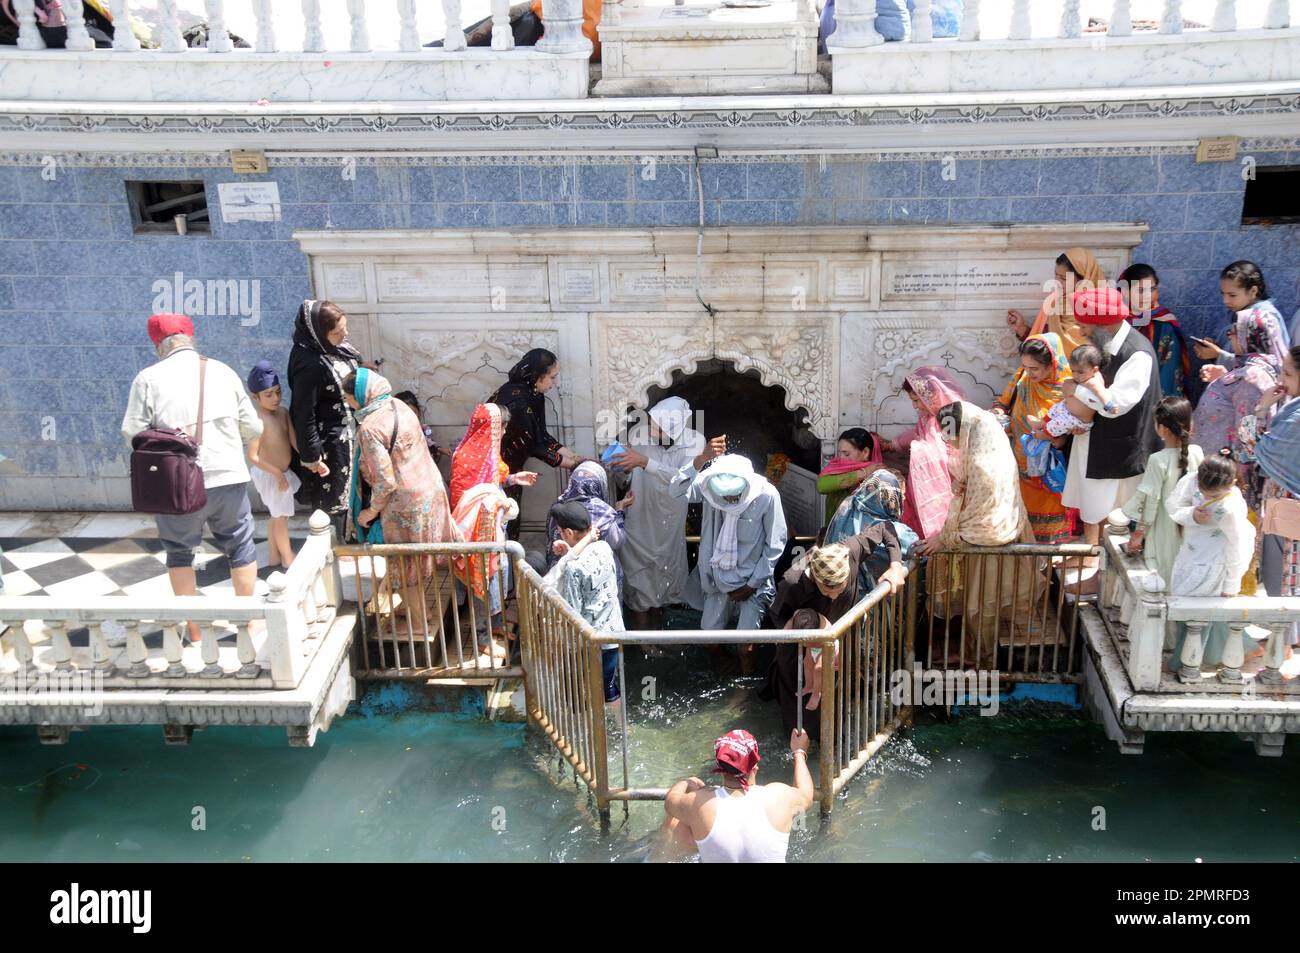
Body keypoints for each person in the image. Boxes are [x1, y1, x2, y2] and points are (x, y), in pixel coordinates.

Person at [121, 313, 263, 641]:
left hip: (176, 485)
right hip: (227, 475)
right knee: (240, 545)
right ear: (191, 338)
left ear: (158, 344)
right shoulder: (222, 371)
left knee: (179, 551)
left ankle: (195, 629)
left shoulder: (148, 378)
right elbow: (252, 427)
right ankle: (249, 623)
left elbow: (132, 433)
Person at [914, 401, 1039, 667]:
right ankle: (976, 658)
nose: (953, 445)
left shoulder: (983, 465)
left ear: (966, 432)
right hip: (990, 539)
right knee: (981, 609)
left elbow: (982, 519)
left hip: (988, 546)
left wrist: (944, 539)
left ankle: (985, 666)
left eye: (953, 438)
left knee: (981, 609)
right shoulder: (986, 442)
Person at [1059, 287, 1163, 585]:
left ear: (1105, 324)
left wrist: (1074, 391)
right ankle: (1089, 555)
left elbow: (1116, 405)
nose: (1081, 332)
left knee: (1111, 513)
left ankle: (1101, 575)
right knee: (1092, 505)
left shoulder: (1137, 354)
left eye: (1085, 325)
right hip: (1096, 440)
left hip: (1121, 447)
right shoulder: (1107, 346)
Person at [345, 368, 460, 635]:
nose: (349, 405)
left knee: (404, 564)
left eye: (349, 399)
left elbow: (385, 482)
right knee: (418, 561)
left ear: (361, 396)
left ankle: (419, 624)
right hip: (429, 490)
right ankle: (425, 611)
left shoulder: (371, 428)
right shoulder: (398, 405)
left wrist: (370, 512)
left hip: (404, 503)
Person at [767, 530, 905, 739]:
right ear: (814, 577)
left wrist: (895, 565)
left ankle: (835, 740)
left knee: (841, 695)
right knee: (801, 701)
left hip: (841, 639)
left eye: (840, 589)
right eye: (827, 591)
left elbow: (885, 529)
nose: (834, 596)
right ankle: (801, 747)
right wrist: (806, 626)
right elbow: (777, 618)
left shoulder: (850, 551)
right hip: (800, 647)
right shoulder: (792, 582)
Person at [608, 397, 723, 629]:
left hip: (670, 525)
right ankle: (643, 642)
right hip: (639, 519)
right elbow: (625, 478)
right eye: (650, 423)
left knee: (664, 580)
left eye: (658, 429)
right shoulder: (639, 435)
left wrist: (644, 462)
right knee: (639, 581)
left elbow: (683, 480)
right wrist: (621, 468)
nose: (650, 431)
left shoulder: (694, 442)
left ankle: (658, 634)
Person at [673, 454, 788, 638]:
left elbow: (775, 545)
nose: (727, 499)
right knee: (709, 637)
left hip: (753, 581)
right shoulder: (709, 489)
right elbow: (675, 490)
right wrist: (698, 462)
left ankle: (747, 668)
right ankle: (724, 661)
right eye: (723, 495)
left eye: (732, 495)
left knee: (746, 645)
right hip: (717, 579)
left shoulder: (767, 495)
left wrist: (752, 585)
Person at [659, 729, 814, 864]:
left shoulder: (698, 803)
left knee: (676, 822)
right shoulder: (779, 797)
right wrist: (799, 752)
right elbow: (806, 795)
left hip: (697, 810)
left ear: (719, 766)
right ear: (755, 765)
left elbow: (670, 801)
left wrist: (688, 782)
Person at [1167, 453, 1257, 679]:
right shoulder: (1192, 481)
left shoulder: (1231, 507)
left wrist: (1232, 581)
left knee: (1198, 617)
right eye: (1205, 491)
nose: (1209, 497)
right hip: (1188, 556)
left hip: (1214, 563)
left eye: (1215, 495)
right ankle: (1241, 650)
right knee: (1184, 609)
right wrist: (1192, 515)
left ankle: (1186, 662)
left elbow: (1241, 544)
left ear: (1232, 484)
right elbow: (1173, 506)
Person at [288, 300, 365, 541]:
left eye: (345, 328)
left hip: (352, 437)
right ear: (318, 333)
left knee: (355, 490)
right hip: (331, 445)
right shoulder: (308, 362)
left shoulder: (334, 349)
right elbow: (303, 412)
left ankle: (354, 539)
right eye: (337, 332)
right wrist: (311, 456)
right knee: (334, 495)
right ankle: (336, 549)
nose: (345, 335)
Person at [1193, 309, 1284, 509]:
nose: (1230, 336)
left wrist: (1240, 484)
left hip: (1222, 484)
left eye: (1233, 332)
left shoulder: (1252, 378)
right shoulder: (1249, 370)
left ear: (1248, 336)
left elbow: (1248, 436)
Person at [489, 349, 584, 536]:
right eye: (552, 377)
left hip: (513, 470)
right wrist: (575, 465)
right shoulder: (518, 400)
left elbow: (541, 435)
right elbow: (534, 446)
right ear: (538, 376)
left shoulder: (533, 394)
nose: (555, 383)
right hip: (496, 473)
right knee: (501, 526)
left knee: (511, 521)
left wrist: (574, 456)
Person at [992, 333, 1075, 544]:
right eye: (1025, 367)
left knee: (1052, 541)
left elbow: (1079, 423)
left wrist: (1057, 438)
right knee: (1023, 532)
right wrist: (999, 414)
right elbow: (1002, 403)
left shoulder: (1069, 389)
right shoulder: (1022, 378)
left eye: (1034, 368)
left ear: (1052, 363)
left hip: (1052, 471)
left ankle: (1050, 573)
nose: (1029, 373)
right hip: (1020, 467)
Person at [543, 501, 624, 708]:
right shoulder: (604, 548)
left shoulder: (573, 568)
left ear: (568, 532)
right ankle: (624, 730)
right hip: (612, 635)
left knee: (579, 693)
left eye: (560, 531)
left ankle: (586, 735)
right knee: (609, 689)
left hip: (588, 642)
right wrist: (570, 550)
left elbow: (573, 612)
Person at [1121, 396, 1203, 590]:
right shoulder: (1198, 452)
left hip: (1164, 527)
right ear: (1189, 424)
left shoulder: (1158, 460)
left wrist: (1138, 535)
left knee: (1162, 575)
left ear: (1162, 429)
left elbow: (1150, 501)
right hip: (1190, 525)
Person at [1251, 343, 1300, 655]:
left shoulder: (1296, 418)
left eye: (1287, 374)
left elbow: (1258, 449)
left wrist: (1260, 408)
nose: (1281, 379)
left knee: (1282, 572)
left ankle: (1282, 639)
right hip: (1287, 501)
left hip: (1287, 503)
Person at [882, 366, 965, 540]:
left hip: (950, 484)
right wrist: (892, 445)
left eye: (917, 400)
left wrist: (919, 449)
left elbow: (953, 452)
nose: (915, 406)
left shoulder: (950, 416)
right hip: (927, 484)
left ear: (933, 395)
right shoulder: (927, 416)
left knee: (943, 532)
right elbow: (917, 434)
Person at [451, 481, 518, 664]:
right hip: (479, 552)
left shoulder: (491, 493)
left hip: (492, 546)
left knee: (495, 589)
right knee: (483, 595)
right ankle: (482, 639)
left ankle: (495, 625)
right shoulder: (488, 505)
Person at [245, 360, 299, 569]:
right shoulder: (256, 420)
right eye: (268, 394)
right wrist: (277, 475)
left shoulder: (283, 412)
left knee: (276, 516)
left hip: (282, 472)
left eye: (278, 392)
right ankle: (287, 557)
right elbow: (253, 456)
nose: (275, 398)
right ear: (255, 397)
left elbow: (293, 441)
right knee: (281, 517)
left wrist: (313, 459)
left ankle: (274, 557)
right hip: (270, 475)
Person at [1192, 261, 1291, 375]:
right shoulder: (1238, 313)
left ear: (1253, 291)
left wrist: (1219, 355)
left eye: (1232, 295)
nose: (1225, 301)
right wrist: (1214, 348)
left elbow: (1268, 367)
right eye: (1223, 294)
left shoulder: (1263, 320)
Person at [1006, 247, 1106, 356]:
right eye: (1056, 276)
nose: (1057, 282)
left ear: (1083, 279)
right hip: (1055, 371)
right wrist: (1022, 329)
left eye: (1063, 278)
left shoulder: (1099, 308)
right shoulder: (1055, 301)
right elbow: (1045, 341)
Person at [544, 462, 634, 576]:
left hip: (559, 573)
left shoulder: (558, 505)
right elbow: (617, 540)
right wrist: (620, 510)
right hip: (592, 577)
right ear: (599, 484)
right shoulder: (603, 511)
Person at [1120, 263, 1190, 400]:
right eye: (1140, 290)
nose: (1147, 296)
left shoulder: (1164, 323)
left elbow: (1170, 370)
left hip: (1153, 397)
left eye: (1152, 289)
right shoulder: (1116, 320)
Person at [450, 402, 538, 510]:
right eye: (502, 428)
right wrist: (499, 502)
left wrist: (514, 478)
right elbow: (465, 499)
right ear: (490, 428)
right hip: (474, 522)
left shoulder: (491, 454)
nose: (504, 432)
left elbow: (495, 482)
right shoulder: (466, 457)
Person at [815, 427, 885, 523]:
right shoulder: (836, 469)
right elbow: (821, 486)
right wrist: (863, 473)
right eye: (839, 454)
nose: (841, 459)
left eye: (846, 454)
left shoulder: (879, 474)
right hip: (833, 533)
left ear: (865, 453)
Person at [394, 390, 444, 463]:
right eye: (404, 414)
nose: (409, 418)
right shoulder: (394, 437)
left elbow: (429, 447)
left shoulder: (423, 431)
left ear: (419, 413)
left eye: (413, 413)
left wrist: (437, 450)